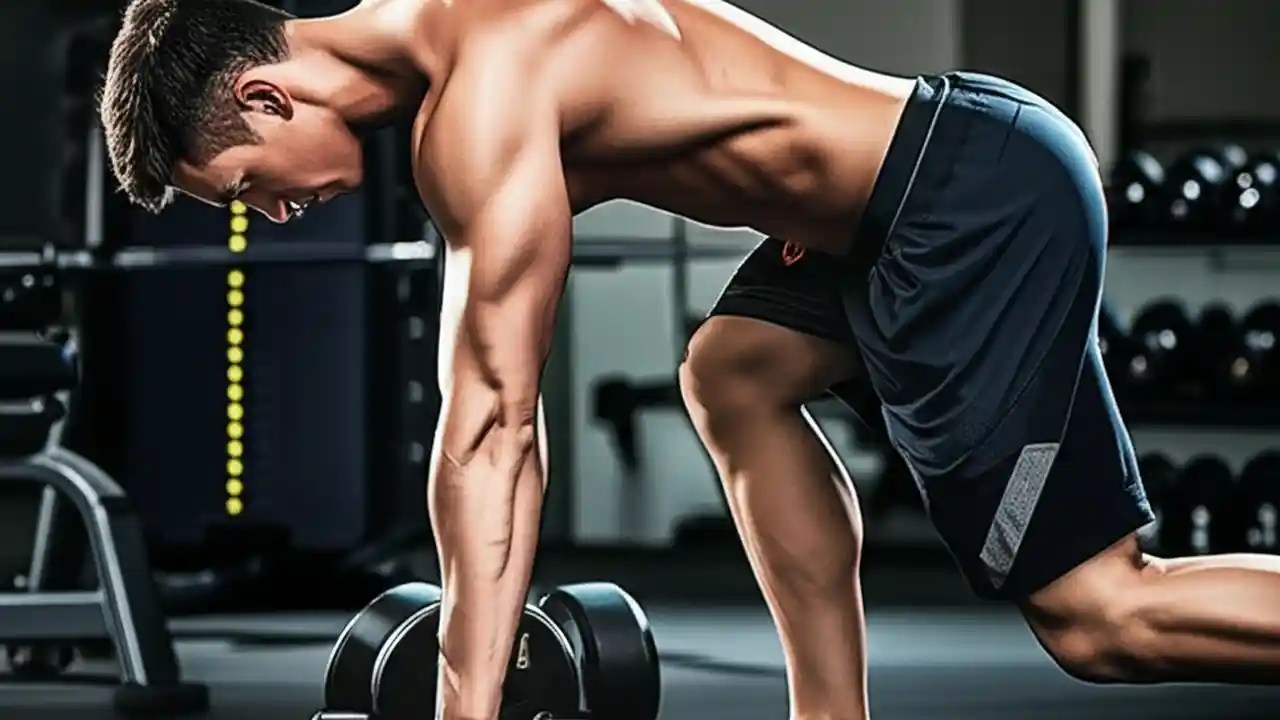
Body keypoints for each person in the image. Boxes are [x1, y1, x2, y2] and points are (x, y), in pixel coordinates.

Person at [99, 1, 1280, 718]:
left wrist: (464, 704)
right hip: (894, 203)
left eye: (247, 189)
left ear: (265, 93)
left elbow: (493, 425)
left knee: (1098, 621)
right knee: (731, 374)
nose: (273, 212)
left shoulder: (474, 107)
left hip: (961, 202)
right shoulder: (453, 28)